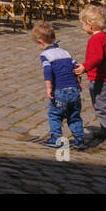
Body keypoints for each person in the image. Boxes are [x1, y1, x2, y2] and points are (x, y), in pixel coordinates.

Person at [75, 5, 106, 150]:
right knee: (103, 106)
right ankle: (105, 130)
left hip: (102, 81)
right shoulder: (104, 36)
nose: (83, 27)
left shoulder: (95, 39)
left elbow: (97, 57)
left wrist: (85, 67)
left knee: (102, 108)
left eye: (83, 24)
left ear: (89, 24)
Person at [33, 20, 87, 149]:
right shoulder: (65, 53)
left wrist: (49, 88)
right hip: (74, 90)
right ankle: (80, 139)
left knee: (55, 114)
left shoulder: (45, 55)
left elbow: (48, 72)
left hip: (60, 91)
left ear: (41, 42)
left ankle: (57, 138)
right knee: (74, 116)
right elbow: (75, 68)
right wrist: (78, 82)